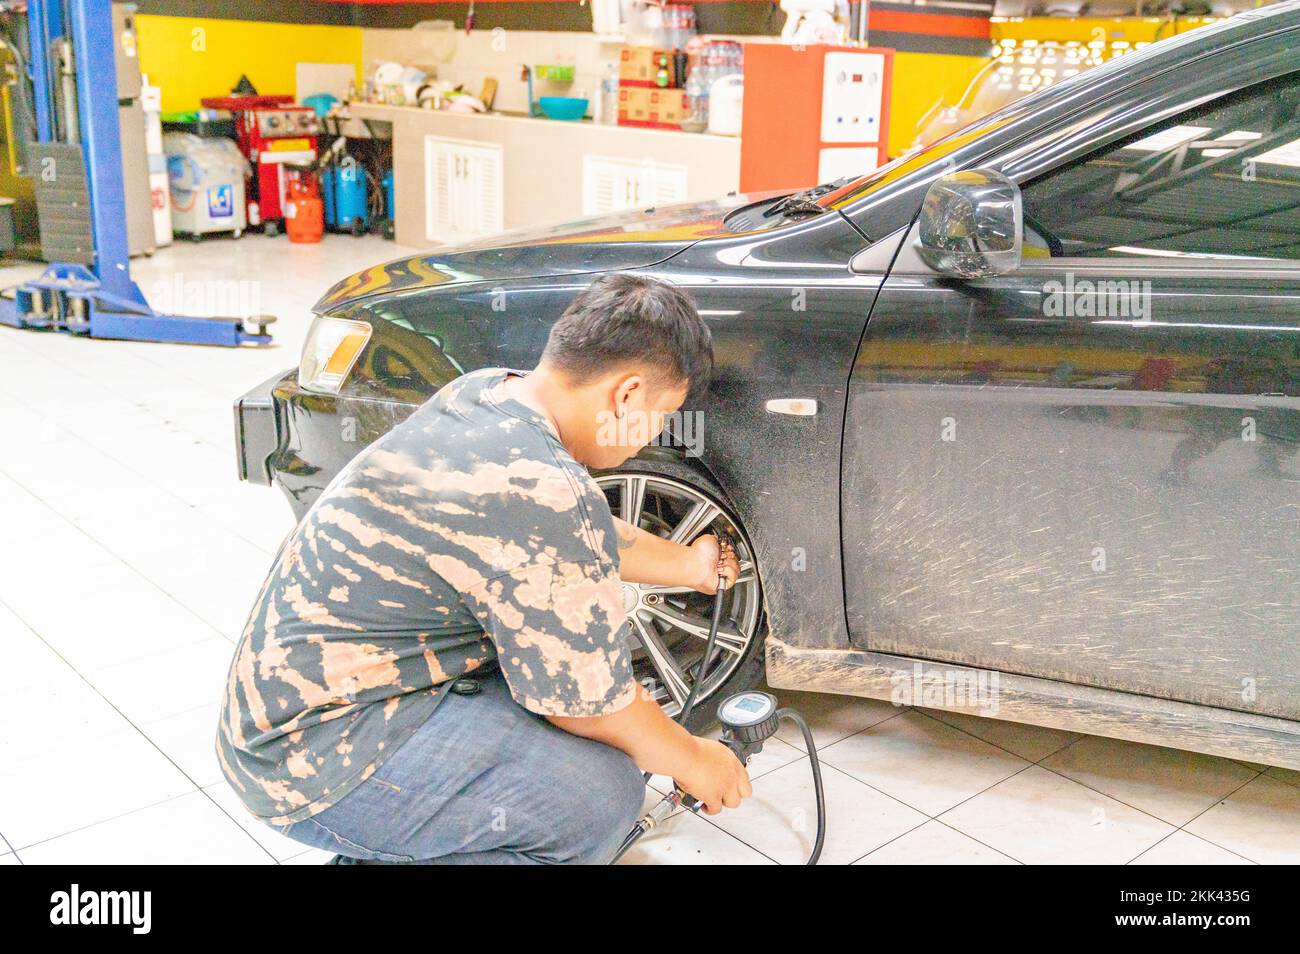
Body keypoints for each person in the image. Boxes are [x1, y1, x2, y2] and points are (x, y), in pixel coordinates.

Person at [215, 273, 750, 864]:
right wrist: (700, 761)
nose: (657, 432)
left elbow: (583, 533)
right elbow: (590, 706)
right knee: (598, 801)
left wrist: (691, 566)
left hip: (287, 712)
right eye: (662, 414)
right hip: (309, 759)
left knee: (589, 757)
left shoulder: (489, 394)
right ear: (626, 395)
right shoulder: (544, 490)